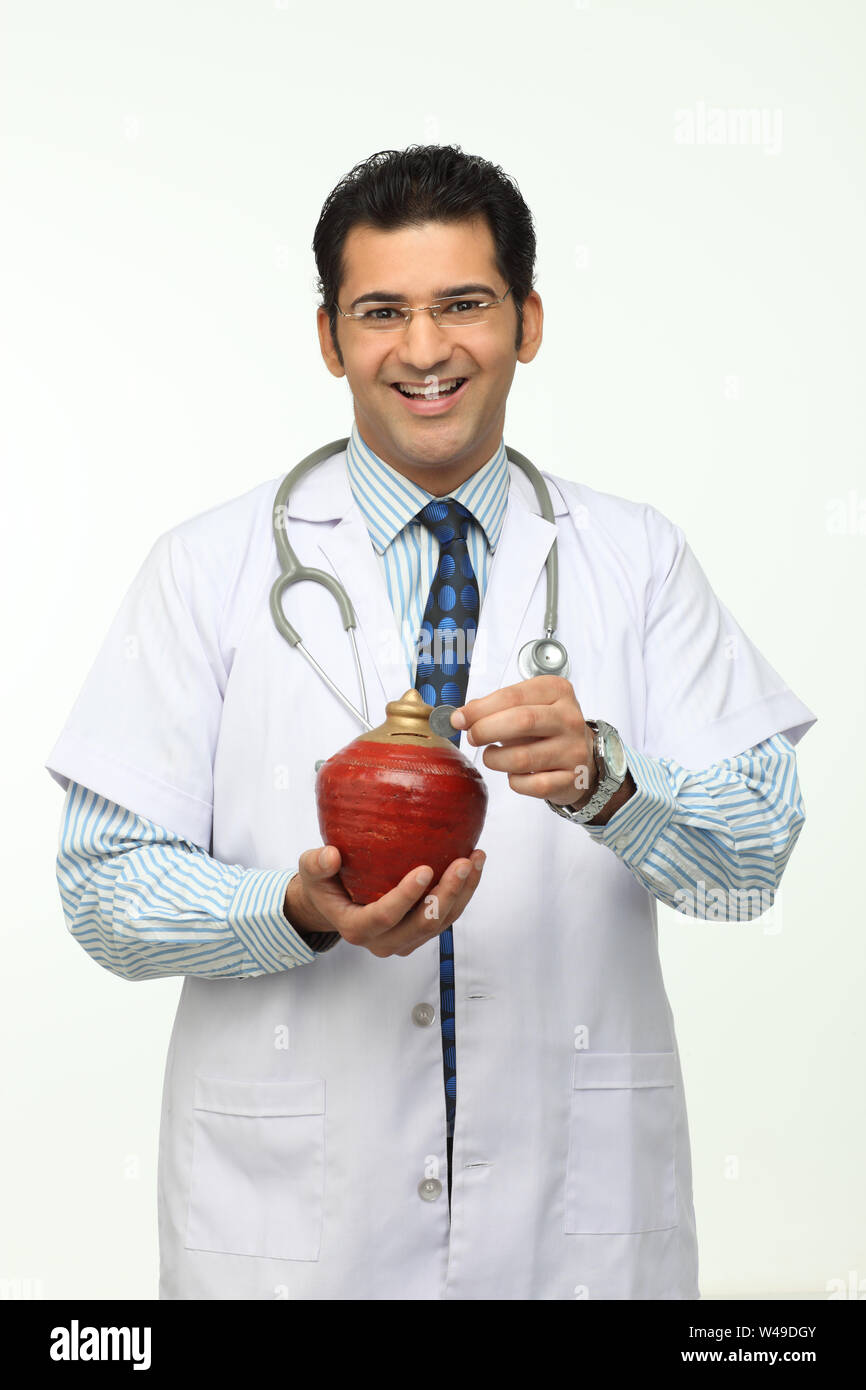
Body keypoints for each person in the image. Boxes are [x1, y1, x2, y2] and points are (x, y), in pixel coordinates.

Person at [45, 144, 816, 1300]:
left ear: (528, 319)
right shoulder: (206, 569)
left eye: (463, 304)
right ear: (328, 339)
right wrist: (292, 912)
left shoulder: (635, 559)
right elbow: (102, 889)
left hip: (574, 1231)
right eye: (379, 312)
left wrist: (614, 783)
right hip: (295, 1234)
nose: (422, 350)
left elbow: (748, 862)